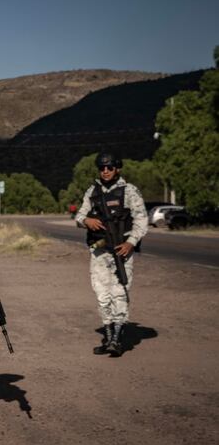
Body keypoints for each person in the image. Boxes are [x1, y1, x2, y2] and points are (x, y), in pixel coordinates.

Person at [75, 152, 148, 357]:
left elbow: (141, 221)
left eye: (109, 167)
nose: (105, 171)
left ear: (117, 168)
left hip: (121, 251)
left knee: (119, 292)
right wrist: (86, 221)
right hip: (99, 251)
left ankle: (117, 339)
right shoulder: (93, 191)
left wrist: (130, 243)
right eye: (102, 168)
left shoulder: (129, 191)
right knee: (101, 295)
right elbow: (80, 215)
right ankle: (107, 336)